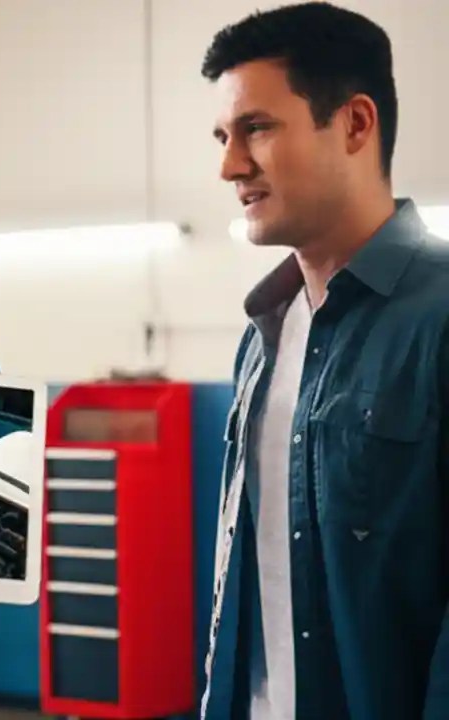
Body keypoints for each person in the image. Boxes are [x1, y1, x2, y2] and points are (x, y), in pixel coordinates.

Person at [199, 4, 449, 719]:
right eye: (223, 135)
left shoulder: (439, 318)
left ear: (355, 124)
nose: (229, 165)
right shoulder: (264, 332)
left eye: (258, 128)